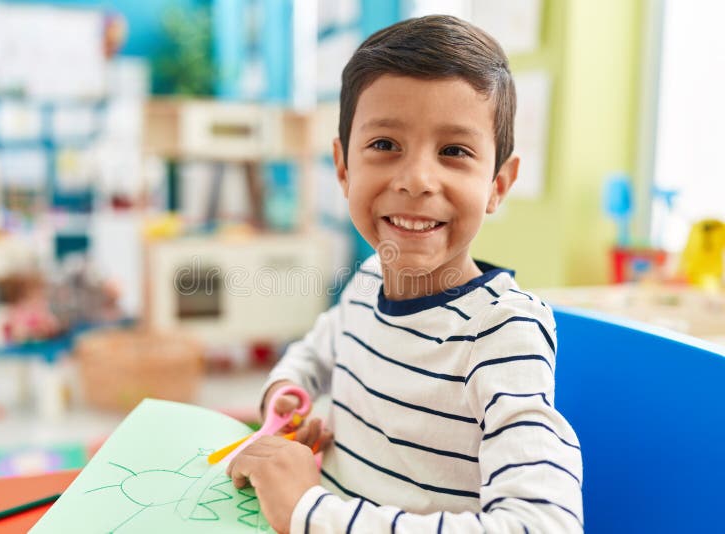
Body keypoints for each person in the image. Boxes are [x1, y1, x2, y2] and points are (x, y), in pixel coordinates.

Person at [227, 14, 583, 533]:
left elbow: (543, 525)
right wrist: (288, 393)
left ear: (497, 185)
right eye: (385, 145)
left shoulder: (503, 334)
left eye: (454, 152)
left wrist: (307, 511)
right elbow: (317, 348)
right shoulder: (371, 277)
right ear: (343, 167)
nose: (417, 179)